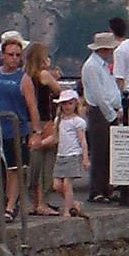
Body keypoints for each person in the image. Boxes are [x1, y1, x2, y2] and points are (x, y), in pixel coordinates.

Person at [0, 31, 31, 219]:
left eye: (18, 55)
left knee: (14, 169)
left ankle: (10, 206)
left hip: (15, 130)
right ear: (2, 55)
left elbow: (31, 106)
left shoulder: (24, 78)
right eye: (11, 55)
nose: (14, 59)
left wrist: (35, 131)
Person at [80, 31, 123, 203]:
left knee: (107, 152)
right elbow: (98, 95)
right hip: (100, 112)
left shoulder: (101, 66)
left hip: (106, 111)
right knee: (100, 152)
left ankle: (105, 188)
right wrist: (112, 115)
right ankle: (97, 190)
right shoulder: (92, 67)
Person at [22, 42, 62, 216]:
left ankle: (33, 202)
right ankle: (43, 202)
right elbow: (59, 91)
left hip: (29, 123)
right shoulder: (44, 75)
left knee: (32, 165)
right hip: (45, 121)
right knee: (47, 164)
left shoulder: (24, 76)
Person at [53, 89, 89, 217]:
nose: (67, 107)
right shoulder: (58, 120)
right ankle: (74, 203)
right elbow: (55, 137)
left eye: (70, 103)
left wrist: (85, 158)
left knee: (67, 184)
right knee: (57, 185)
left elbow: (83, 141)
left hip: (73, 155)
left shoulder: (78, 122)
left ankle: (67, 211)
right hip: (61, 155)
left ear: (75, 105)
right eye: (64, 104)